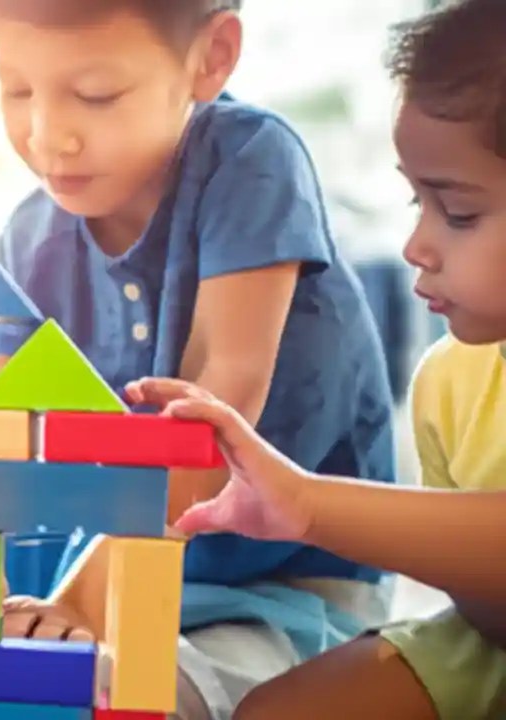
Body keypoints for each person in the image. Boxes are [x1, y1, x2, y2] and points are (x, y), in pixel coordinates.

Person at [0, 1, 398, 718]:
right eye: (16, 89)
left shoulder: (250, 163)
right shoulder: (32, 237)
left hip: (272, 592)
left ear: (212, 57)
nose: (48, 136)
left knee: (120, 693)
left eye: (96, 95)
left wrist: (78, 608)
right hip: (82, 577)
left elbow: (213, 418)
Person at [124, 1, 506, 717]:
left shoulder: (252, 164)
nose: (416, 246)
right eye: (415, 201)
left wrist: (305, 503)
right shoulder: (448, 381)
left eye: (457, 214)